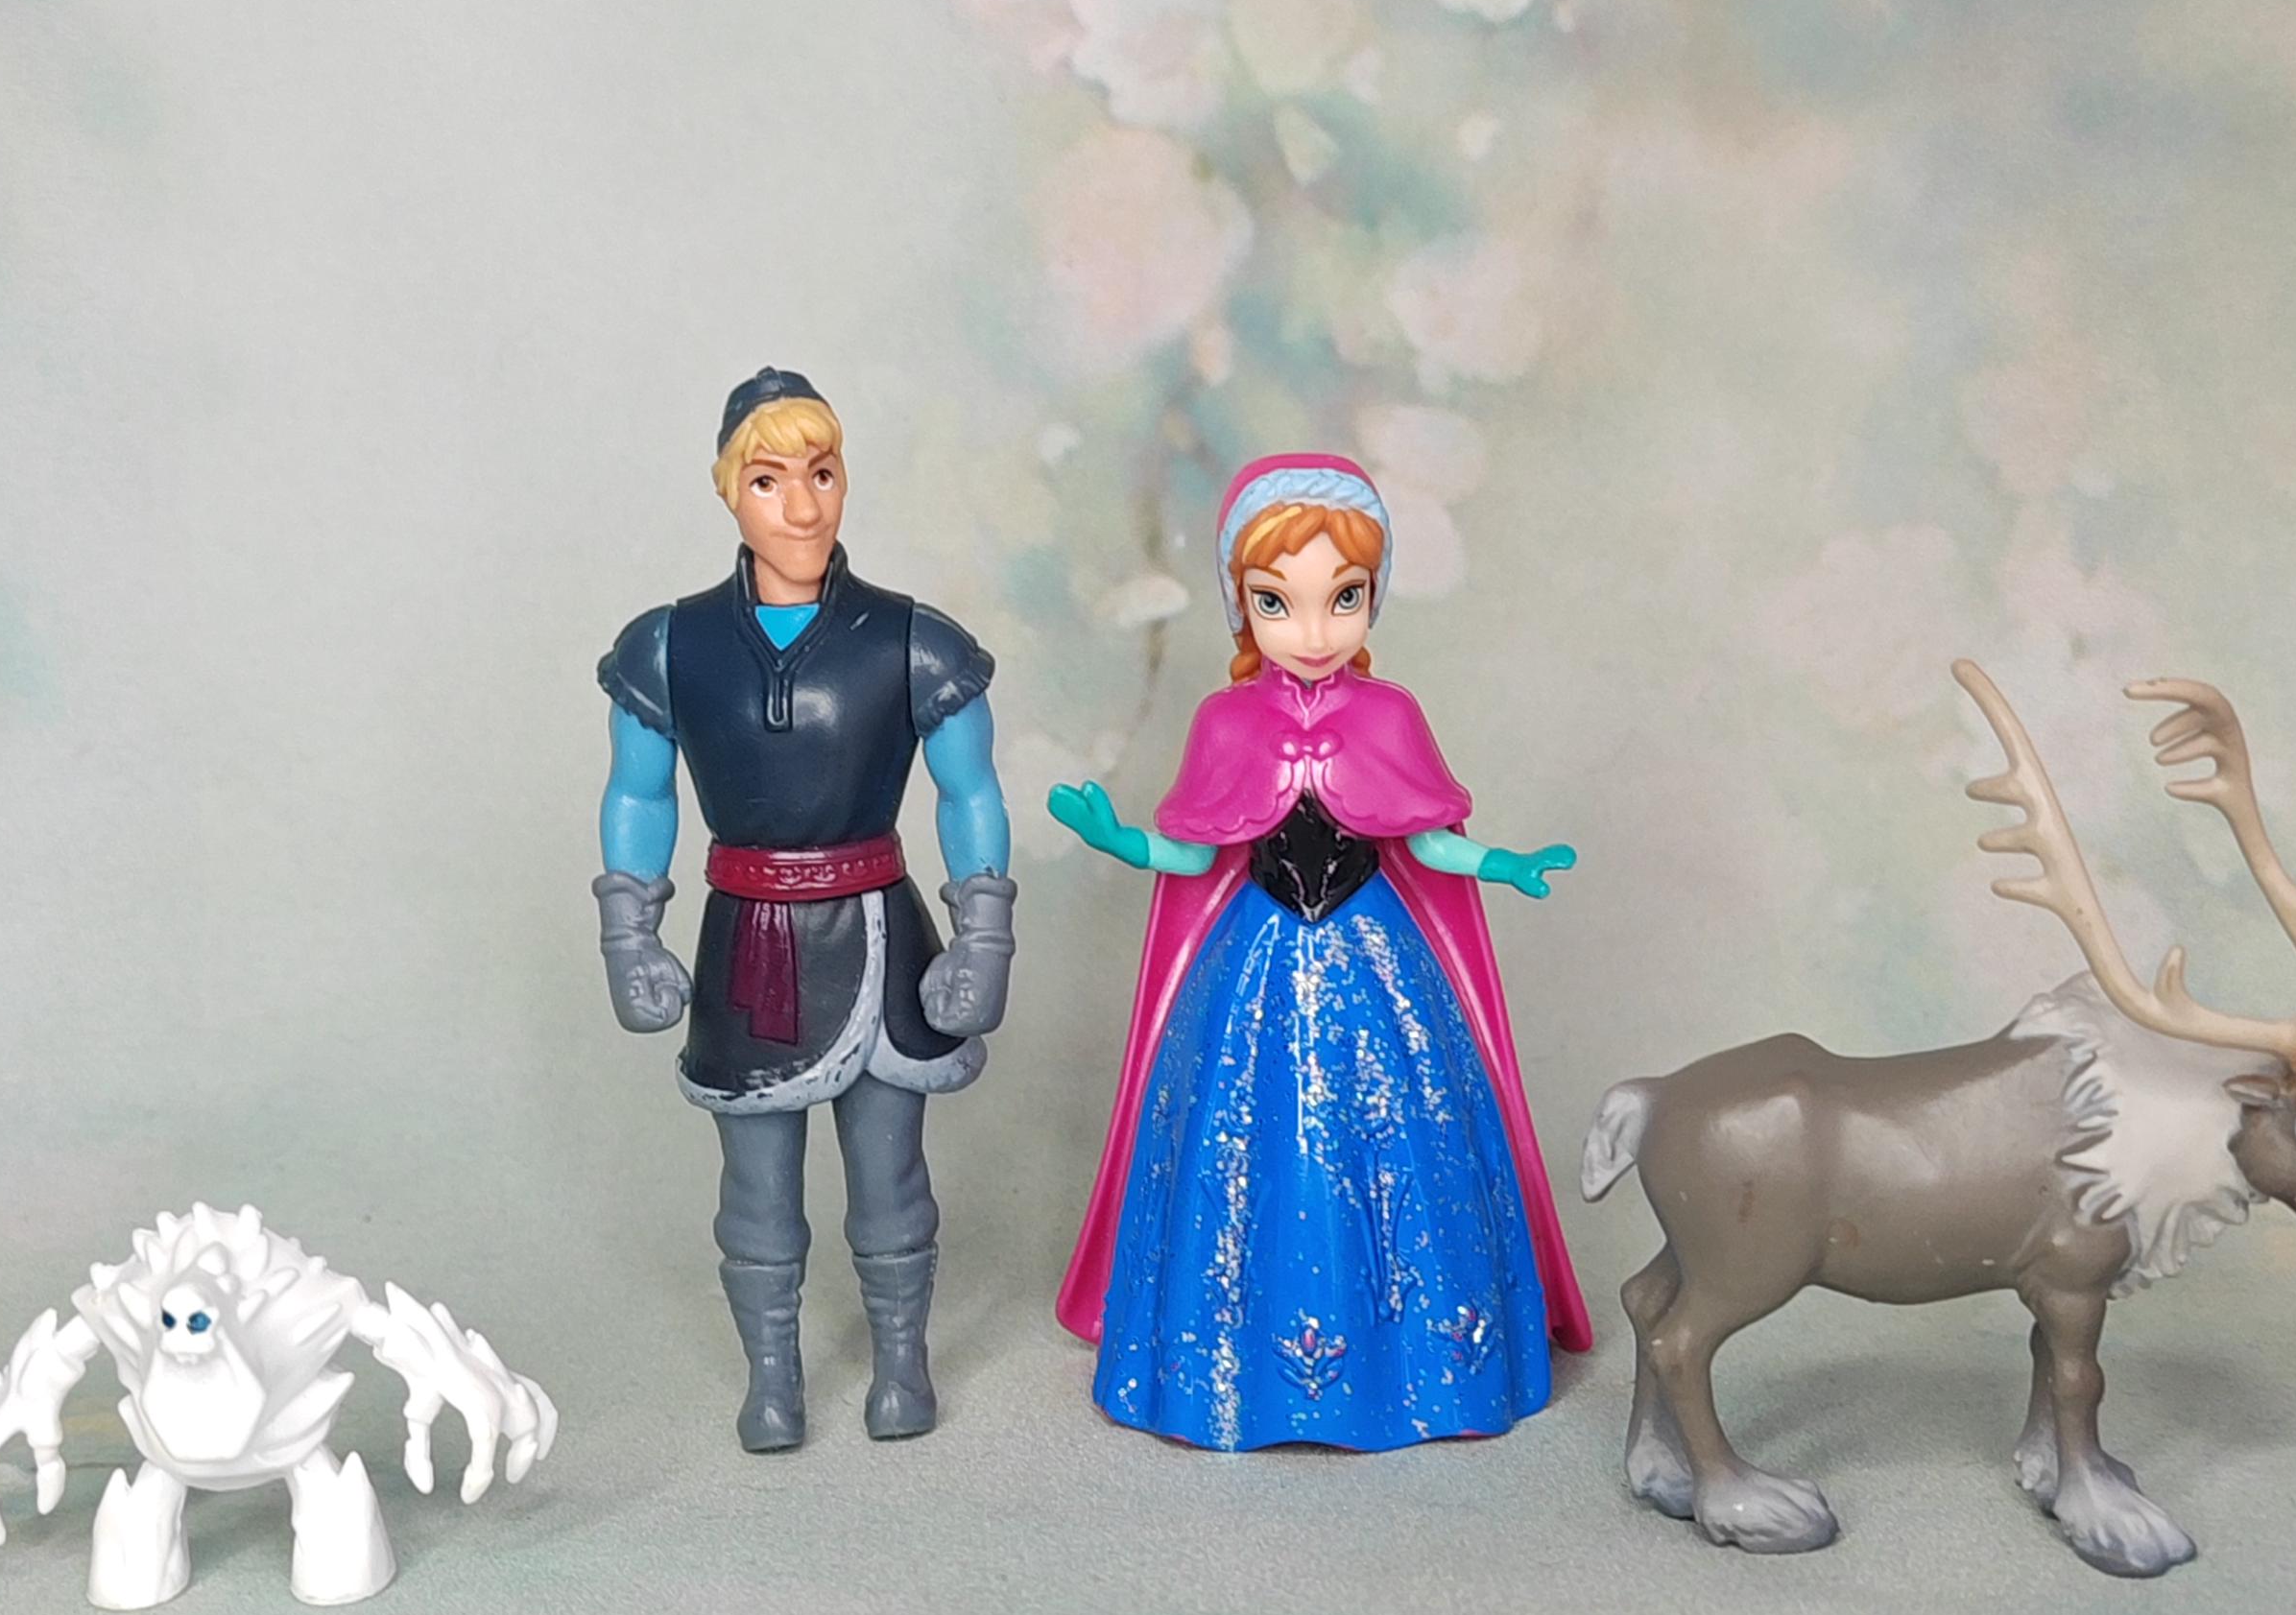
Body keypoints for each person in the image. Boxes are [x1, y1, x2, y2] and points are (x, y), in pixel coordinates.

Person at [1052, 451, 1591, 1450]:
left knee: (1400, 1137)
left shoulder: (1390, 716)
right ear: (1242, 605)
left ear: (1373, 599)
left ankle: (1422, 1362)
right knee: (1241, 1141)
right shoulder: (1225, 721)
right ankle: (1230, 1364)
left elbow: (1428, 841)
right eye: (1277, 602)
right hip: (1254, 958)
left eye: (1343, 599)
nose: (1312, 633)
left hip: (1374, 956)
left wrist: (1504, 863)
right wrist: (1120, 839)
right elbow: (1194, 849)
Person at [591, 368, 1015, 1450]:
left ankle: (902, 1368)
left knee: (889, 1171)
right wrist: (628, 932)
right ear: (729, 490)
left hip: (876, 931)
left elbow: (970, 791)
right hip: (749, 946)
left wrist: (984, 933)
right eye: (769, 480)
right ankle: (772, 1383)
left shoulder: (911, 641)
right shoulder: (671, 649)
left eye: (821, 475)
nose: (802, 506)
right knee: (757, 1184)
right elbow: (639, 795)